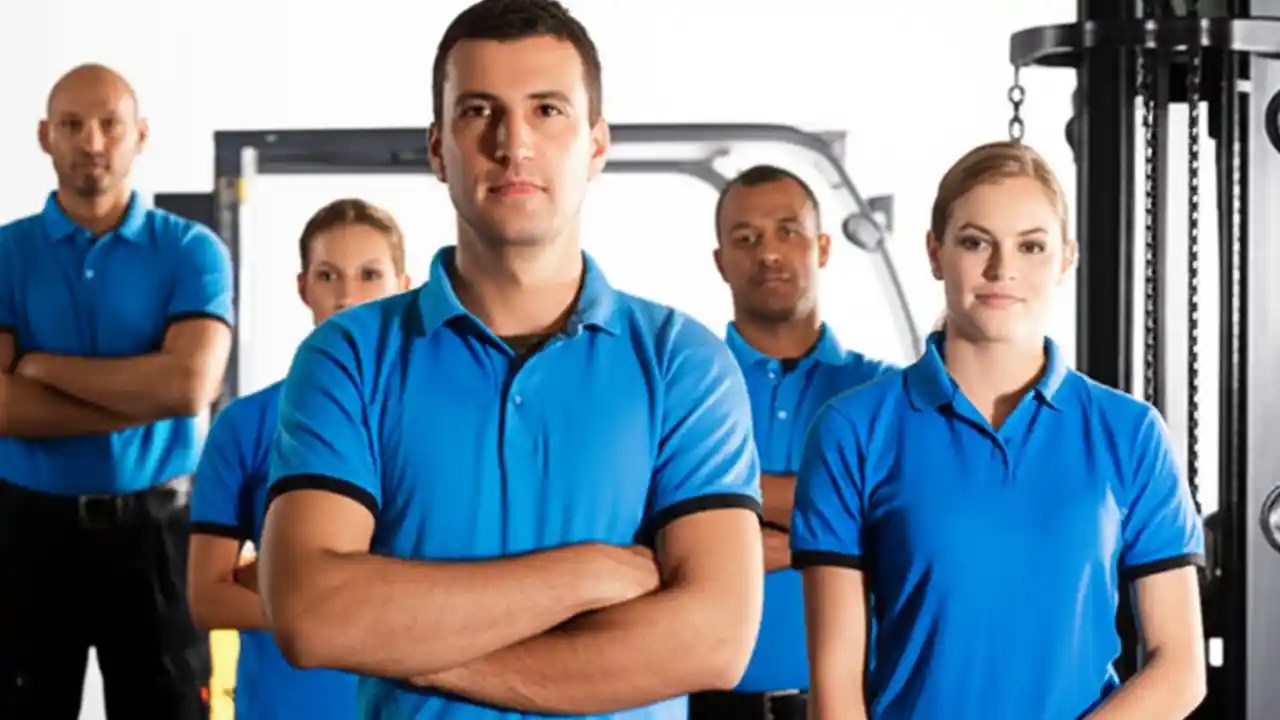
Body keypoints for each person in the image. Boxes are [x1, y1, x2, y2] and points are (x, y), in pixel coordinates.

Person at [256, 1, 765, 719]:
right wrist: (588, 574)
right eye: (478, 111)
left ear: (595, 144)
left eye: (547, 110)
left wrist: (404, 644)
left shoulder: (685, 366)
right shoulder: (348, 357)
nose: (513, 143)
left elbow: (713, 640)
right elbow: (313, 615)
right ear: (439, 148)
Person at [791, 140, 1207, 719]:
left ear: (1066, 258)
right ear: (935, 253)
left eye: (1030, 246)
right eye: (975, 241)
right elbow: (836, 686)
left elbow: (1180, 667)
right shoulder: (852, 430)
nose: (1001, 269)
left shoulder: (1130, 433)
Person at [0, 63, 234, 719]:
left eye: (110, 124)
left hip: (159, 534)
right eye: (72, 124)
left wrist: (41, 368)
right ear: (45, 136)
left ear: (141, 134)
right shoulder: (6, 254)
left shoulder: (192, 252)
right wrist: (140, 393)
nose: (92, 141)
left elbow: (189, 386)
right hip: (26, 531)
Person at [187, 198, 412, 720]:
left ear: (403, 288)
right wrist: (316, 608)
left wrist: (287, 582)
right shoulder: (245, 424)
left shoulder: (437, 423)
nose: (347, 296)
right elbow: (207, 597)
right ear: (303, 287)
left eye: (370, 275)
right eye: (328, 275)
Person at [688, 165, 896, 720]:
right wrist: (832, 526)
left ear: (822, 247)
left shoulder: (886, 392)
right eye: (746, 238)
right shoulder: (684, 386)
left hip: (853, 707)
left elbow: (902, 527)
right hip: (703, 709)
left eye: (788, 231)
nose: (769, 253)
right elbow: (656, 523)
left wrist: (732, 522)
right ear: (720, 262)